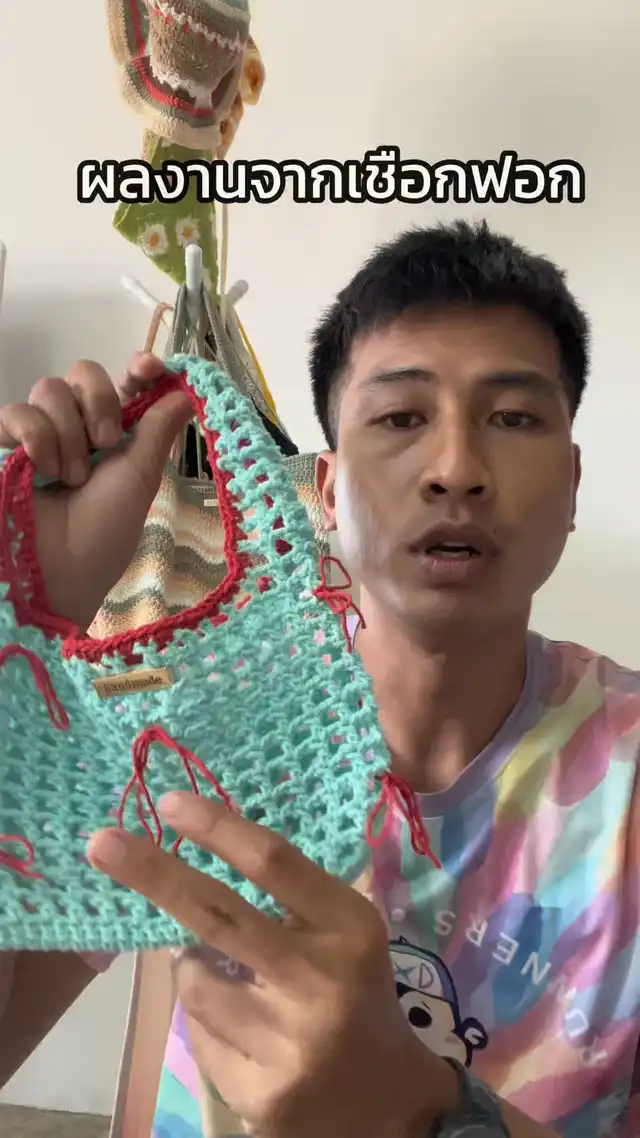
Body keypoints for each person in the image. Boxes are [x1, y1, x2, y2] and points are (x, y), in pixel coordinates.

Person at [0, 219, 637, 1138]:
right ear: (327, 492)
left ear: (573, 485)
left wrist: (415, 1110)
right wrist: (20, 638)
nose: (456, 470)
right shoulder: (194, 735)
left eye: (513, 418)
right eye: (401, 418)